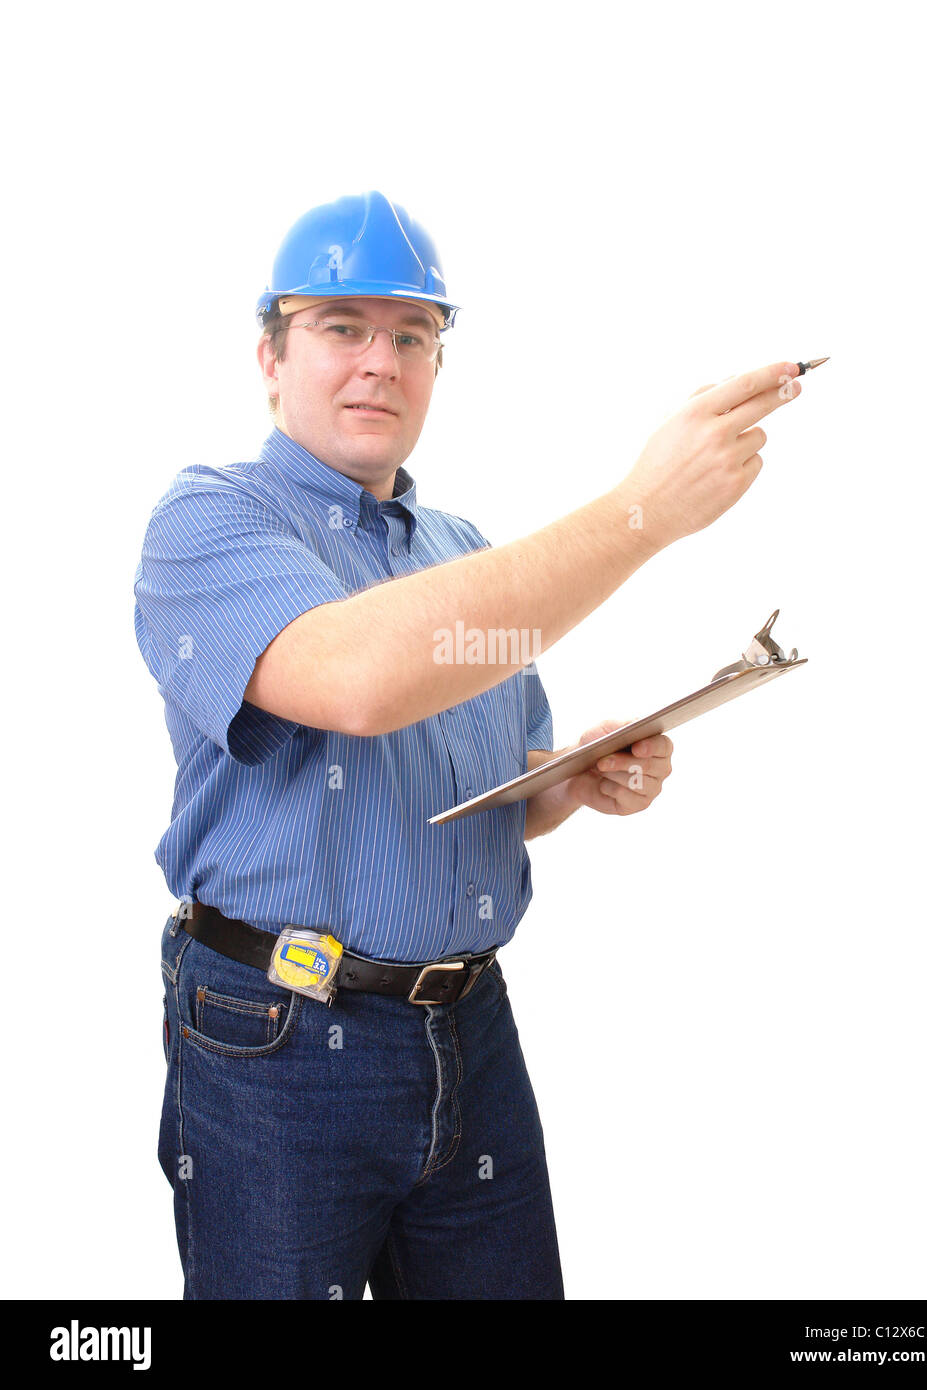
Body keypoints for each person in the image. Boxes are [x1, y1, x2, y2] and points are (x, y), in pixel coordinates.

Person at [134, 189, 802, 1300]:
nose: (379, 363)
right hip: (279, 1041)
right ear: (270, 354)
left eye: (413, 336)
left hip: (469, 1032)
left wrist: (571, 783)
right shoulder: (209, 520)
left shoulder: (463, 550)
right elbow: (357, 679)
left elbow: (491, 792)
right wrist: (641, 510)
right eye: (343, 328)